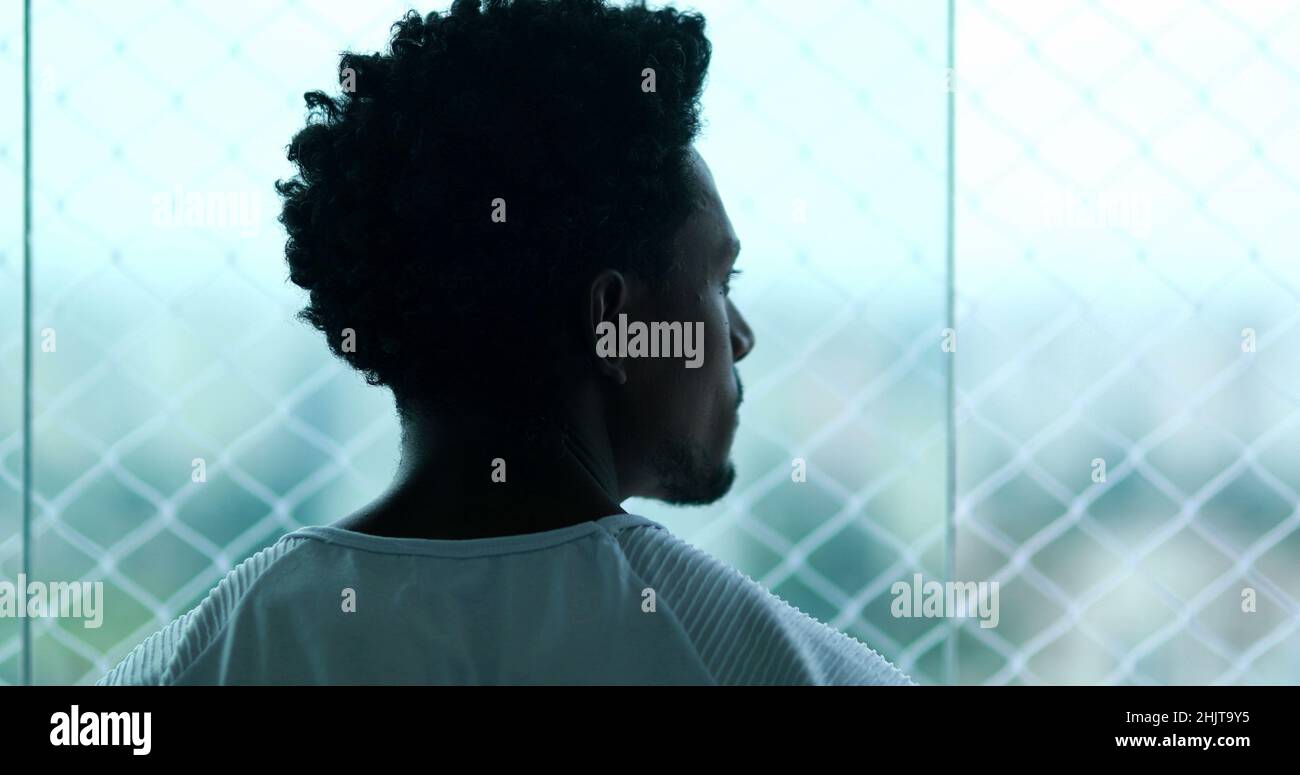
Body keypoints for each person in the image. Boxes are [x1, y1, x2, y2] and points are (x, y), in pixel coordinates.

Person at [99, 0, 912, 686]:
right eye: (720, 284)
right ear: (616, 322)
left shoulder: (217, 652)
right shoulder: (779, 665)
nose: (740, 337)